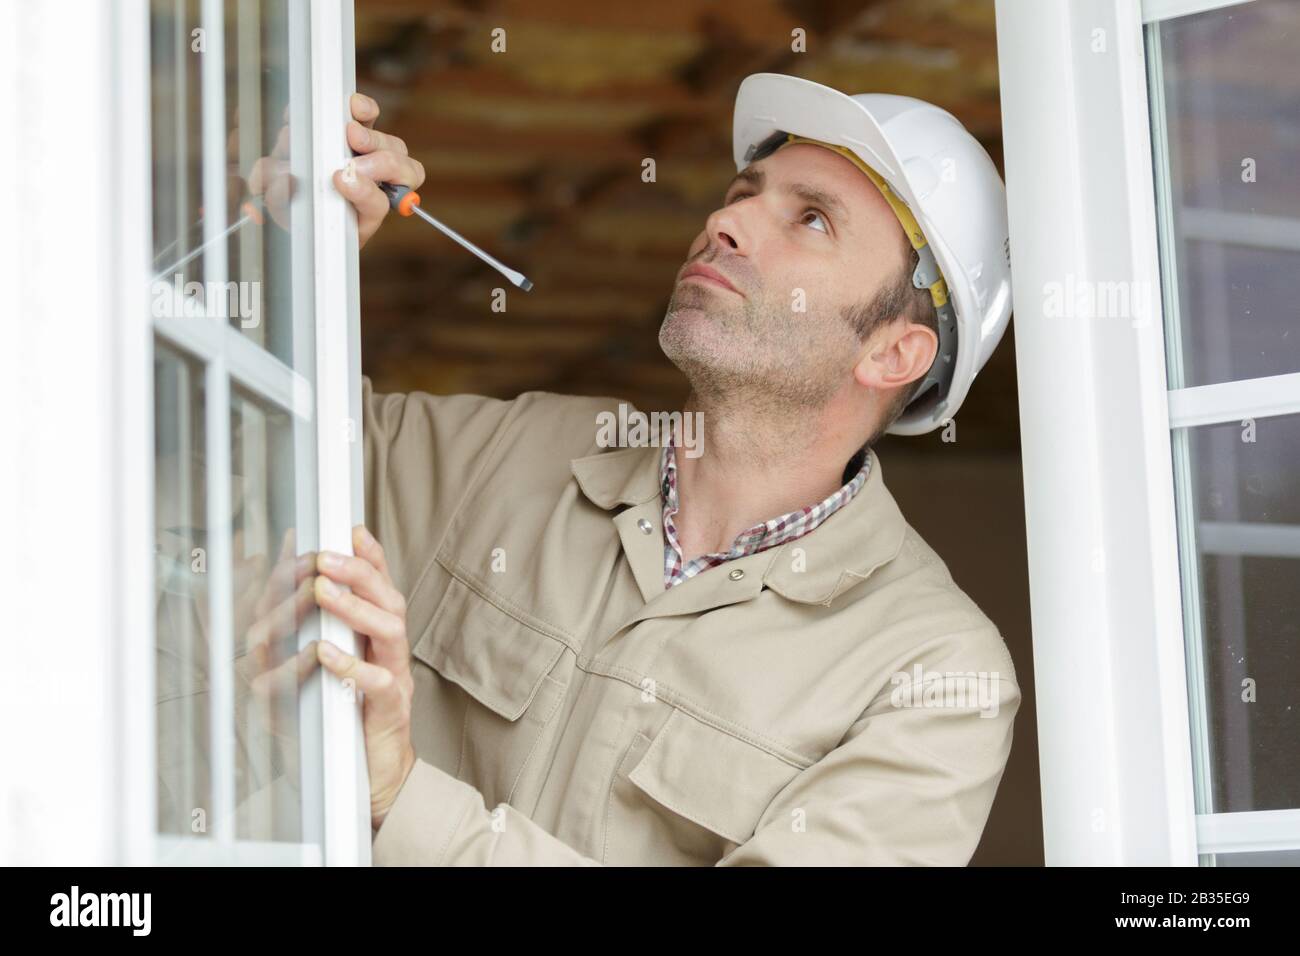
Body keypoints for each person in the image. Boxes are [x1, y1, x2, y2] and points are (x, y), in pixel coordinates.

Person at [310, 73, 1020, 865]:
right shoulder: (507, 452)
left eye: (811, 219)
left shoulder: (931, 672)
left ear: (894, 352)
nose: (725, 221)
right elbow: (231, 453)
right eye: (742, 192)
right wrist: (287, 244)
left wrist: (403, 801)